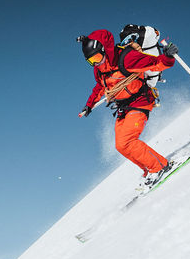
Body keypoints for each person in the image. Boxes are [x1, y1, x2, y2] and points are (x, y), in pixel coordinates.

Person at [76, 26, 179, 179]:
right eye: (91, 61)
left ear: (106, 50)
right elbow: (100, 87)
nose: (96, 64)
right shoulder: (99, 70)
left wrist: (168, 57)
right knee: (120, 146)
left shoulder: (126, 58)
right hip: (123, 107)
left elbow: (155, 64)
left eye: (97, 58)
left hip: (140, 102)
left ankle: (159, 167)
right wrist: (89, 105)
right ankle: (149, 170)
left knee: (128, 141)